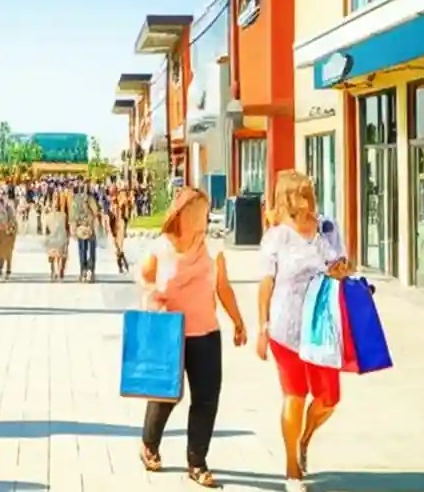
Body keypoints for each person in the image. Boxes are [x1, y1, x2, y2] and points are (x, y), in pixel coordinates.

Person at [137, 187, 247, 489]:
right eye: (199, 209)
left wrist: (238, 320)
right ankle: (150, 444)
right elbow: (145, 283)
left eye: (206, 209)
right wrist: (153, 307)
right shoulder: (160, 248)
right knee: (166, 395)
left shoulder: (214, 248)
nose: (205, 215)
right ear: (182, 213)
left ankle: (197, 462)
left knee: (207, 399)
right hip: (170, 334)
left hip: (206, 333)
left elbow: (223, 287)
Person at [256, 170, 349, 492]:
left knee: (328, 398)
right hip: (287, 327)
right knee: (294, 397)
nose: (308, 199)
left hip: (322, 326)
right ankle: (291, 469)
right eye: (301, 193)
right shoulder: (277, 237)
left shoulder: (328, 228)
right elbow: (266, 283)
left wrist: (341, 271)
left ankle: (305, 438)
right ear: (287, 198)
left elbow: (344, 266)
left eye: (310, 192)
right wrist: (262, 327)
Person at [70, 184, 102, 282]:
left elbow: (73, 216)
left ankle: (85, 271)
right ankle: (88, 271)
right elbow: (96, 212)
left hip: (84, 227)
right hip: (88, 227)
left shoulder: (77, 200)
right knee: (87, 250)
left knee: (83, 250)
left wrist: (73, 229)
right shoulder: (90, 199)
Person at [0, 189, 19, 280]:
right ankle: (0, 267)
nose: (3, 196)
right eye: (1, 194)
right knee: (0, 251)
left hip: (8, 232)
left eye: (4, 194)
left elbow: (13, 219)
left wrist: (11, 227)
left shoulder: (9, 207)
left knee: (8, 251)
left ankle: (8, 268)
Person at [44, 191, 70, 281]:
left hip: (60, 237)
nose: (55, 205)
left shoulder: (63, 215)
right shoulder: (48, 216)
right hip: (53, 238)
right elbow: (46, 228)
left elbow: (67, 227)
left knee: (60, 255)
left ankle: (59, 271)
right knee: (52, 256)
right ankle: (53, 271)